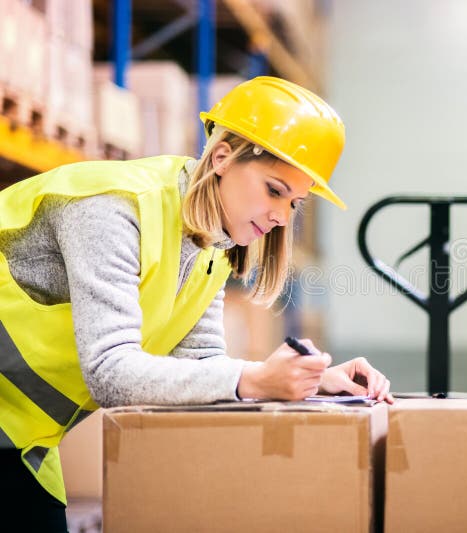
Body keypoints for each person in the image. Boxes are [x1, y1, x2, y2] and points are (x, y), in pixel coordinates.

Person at [0, 76, 393, 529]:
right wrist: (258, 380)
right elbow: (110, 372)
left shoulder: (213, 248)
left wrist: (312, 382)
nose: (282, 217)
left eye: (295, 203)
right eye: (274, 190)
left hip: (24, 437)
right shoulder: (113, 210)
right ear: (223, 158)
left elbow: (202, 366)